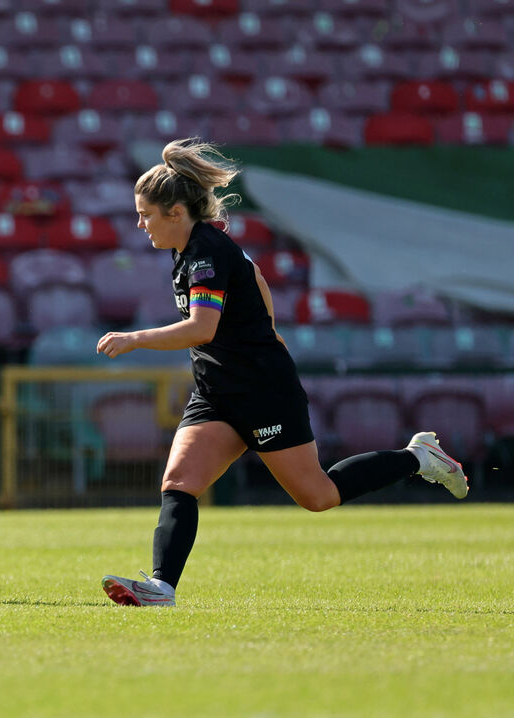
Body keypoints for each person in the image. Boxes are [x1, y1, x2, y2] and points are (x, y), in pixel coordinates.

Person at [96, 138, 468, 608]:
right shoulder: (194, 247)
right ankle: (161, 588)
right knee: (179, 483)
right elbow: (257, 278)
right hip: (217, 392)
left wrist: (135, 338)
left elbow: (202, 328)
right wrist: (269, 328)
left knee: (319, 496)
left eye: (145, 213)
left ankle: (419, 457)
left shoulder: (206, 253)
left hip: (263, 392)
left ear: (174, 212)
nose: (140, 223)